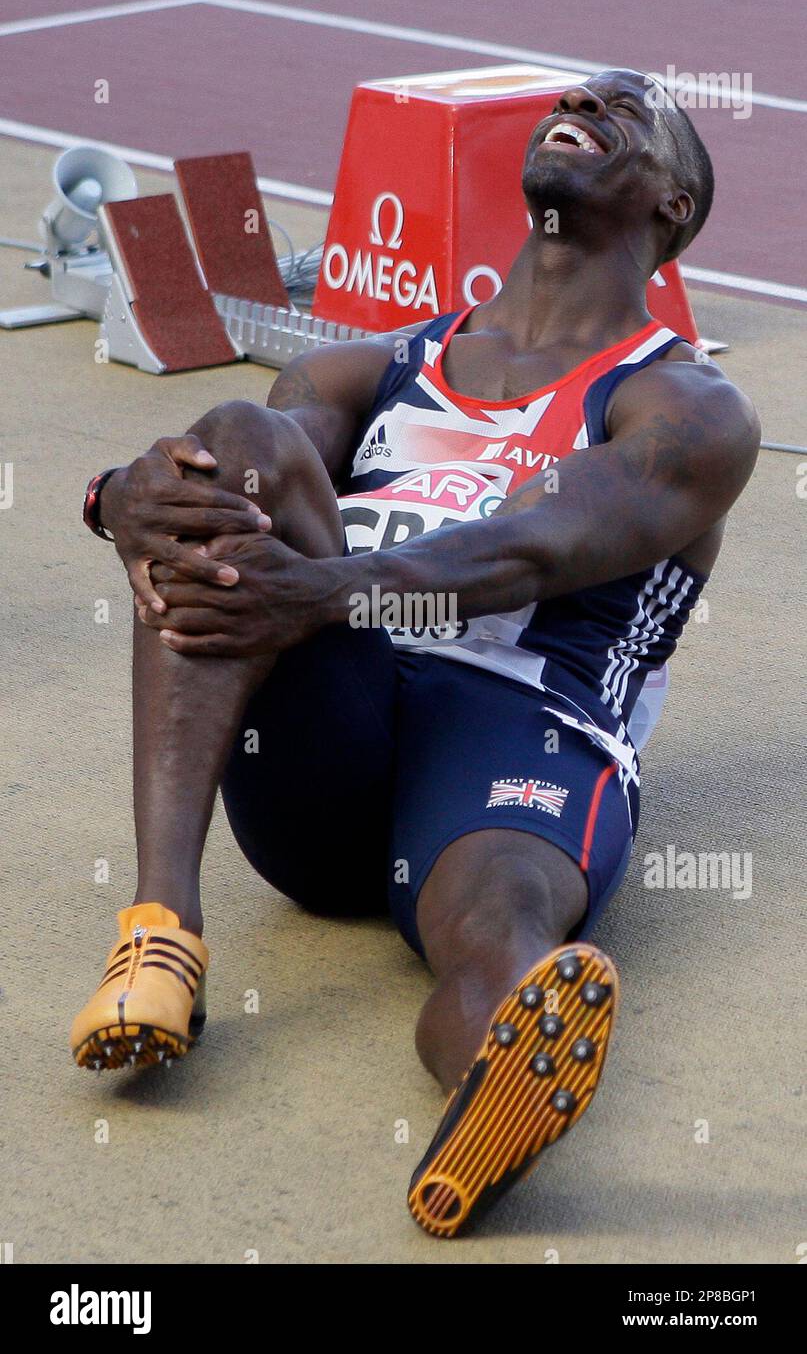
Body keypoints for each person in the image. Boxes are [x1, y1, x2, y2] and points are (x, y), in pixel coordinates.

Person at [71, 71, 759, 1237]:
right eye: (583, 92)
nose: (589, 95)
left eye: (632, 108)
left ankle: (484, 1097)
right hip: (326, 745)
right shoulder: (370, 370)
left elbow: (534, 550)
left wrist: (321, 590)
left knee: (504, 942)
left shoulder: (690, 409)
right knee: (233, 442)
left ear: (672, 206)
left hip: (523, 725)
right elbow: (239, 477)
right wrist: (123, 497)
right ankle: (159, 934)